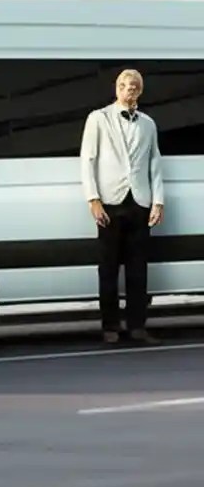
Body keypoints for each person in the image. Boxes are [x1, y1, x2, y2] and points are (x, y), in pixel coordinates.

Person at [79, 68, 165, 345]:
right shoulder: (99, 118)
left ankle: (137, 326)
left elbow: (155, 163)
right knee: (108, 269)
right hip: (110, 203)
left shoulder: (148, 124)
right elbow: (87, 160)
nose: (129, 89)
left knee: (138, 269)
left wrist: (158, 201)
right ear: (116, 88)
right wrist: (93, 199)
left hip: (139, 202)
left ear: (140, 91)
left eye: (134, 86)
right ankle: (111, 326)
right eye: (124, 85)